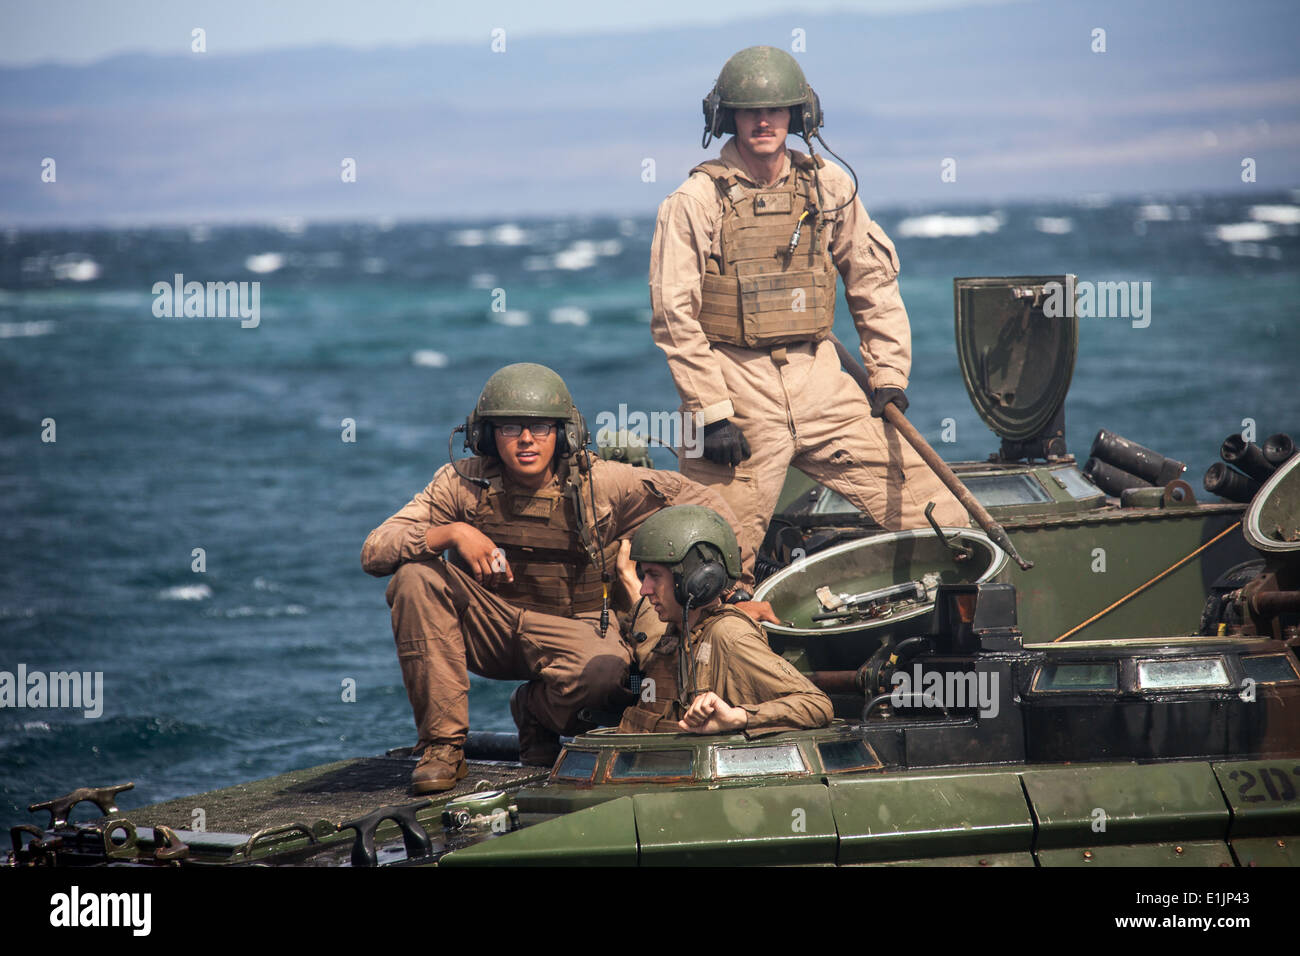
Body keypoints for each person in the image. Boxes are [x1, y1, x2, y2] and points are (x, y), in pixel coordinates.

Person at [361, 363, 758, 793]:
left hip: (580, 626)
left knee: (609, 677)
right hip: (492, 627)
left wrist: (734, 590)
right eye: (511, 427)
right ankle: (442, 747)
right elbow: (376, 548)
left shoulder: (601, 483)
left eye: (540, 427)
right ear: (486, 435)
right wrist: (453, 532)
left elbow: (703, 505)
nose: (526, 439)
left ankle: (535, 712)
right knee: (414, 578)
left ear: (564, 434)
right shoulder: (461, 484)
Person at [649, 45, 969, 557]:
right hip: (735, 387)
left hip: (822, 382)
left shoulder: (828, 185)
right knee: (705, 559)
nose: (763, 121)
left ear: (799, 115)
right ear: (727, 117)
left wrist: (888, 377)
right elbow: (674, 317)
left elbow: (872, 281)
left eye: (775, 109)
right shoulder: (694, 201)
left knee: (945, 521)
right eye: (750, 110)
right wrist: (709, 412)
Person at [616, 505, 833, 736]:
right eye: (643, 576)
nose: (645, 589)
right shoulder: (674, 633)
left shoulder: (728, 636)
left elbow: (817, 705)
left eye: (654, 576)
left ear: (696, 580)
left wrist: (737, 717)